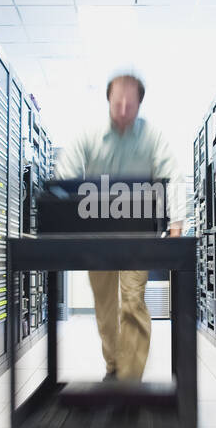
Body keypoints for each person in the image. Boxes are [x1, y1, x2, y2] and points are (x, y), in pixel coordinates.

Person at [54, 68, 185, 382]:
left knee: (132, 301)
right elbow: (64, 175)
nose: (124, 110)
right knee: (105, 307)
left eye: (131, 104)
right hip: (96, 235)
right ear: (108, 99)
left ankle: (128, 381)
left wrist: (176, 223)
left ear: (140, 105)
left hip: (136, 234)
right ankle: (114, 366)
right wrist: (62, 216)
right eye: (118, 103)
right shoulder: (89, 134)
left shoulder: (151, 136)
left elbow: (173, 176)